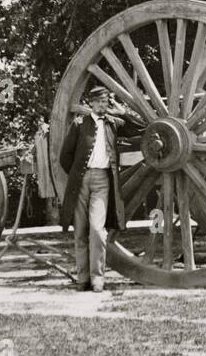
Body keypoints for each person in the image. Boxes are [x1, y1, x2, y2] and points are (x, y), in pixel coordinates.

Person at [59, 86, 143, 292]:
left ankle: (98, 278)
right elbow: (65, 157)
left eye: (105, 102)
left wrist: (122, 111)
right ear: (91, 104)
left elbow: (141, 128)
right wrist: (78, 174)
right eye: (98, 102)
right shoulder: (79, 125)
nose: (102, 106)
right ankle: (83, 279)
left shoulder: (114, 125)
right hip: (80, 181)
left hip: (102, 181)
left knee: (97, 230)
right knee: (80, 231)